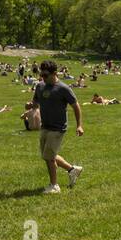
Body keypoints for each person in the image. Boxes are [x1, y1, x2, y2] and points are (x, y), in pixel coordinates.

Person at [33, 59, 83, 193]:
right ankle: (72, 170)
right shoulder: (40, 86)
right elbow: (36, 100)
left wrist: (79, 125)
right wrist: (32, 106)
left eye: (45, 75)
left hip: (57, 128)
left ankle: (54, 186)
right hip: (45, 126)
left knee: (49, 157)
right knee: (48, 155)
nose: (42, 77)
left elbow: (75, 106)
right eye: (41, 75)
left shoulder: (63, 88)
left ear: (54, 73)